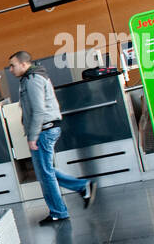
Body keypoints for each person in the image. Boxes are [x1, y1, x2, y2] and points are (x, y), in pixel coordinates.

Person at [9, 51, 97, 225]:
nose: (11, 69)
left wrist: (33, 136)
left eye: (13, 65)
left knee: (45, 174)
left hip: (44, 130)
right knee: (45, 171)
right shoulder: (32, 78)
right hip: (45, 129)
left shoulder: (33, 80)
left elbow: (39, 110)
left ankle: (59, 212)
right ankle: (81, 187)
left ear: (24, 64)